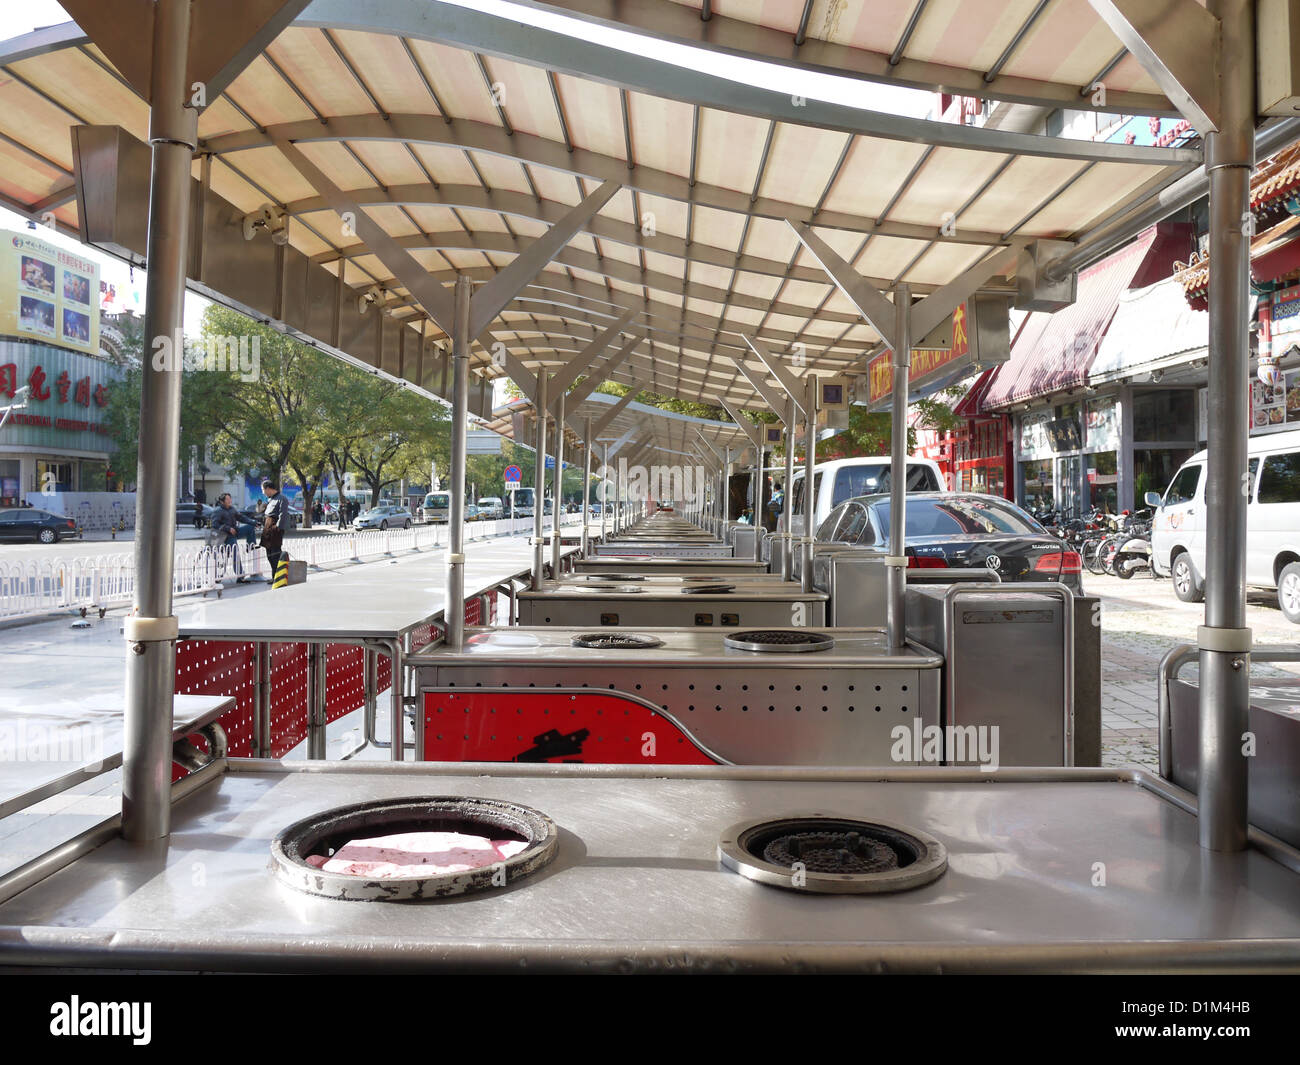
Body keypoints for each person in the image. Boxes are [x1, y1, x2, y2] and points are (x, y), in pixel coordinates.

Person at [211, 493, 253, 583]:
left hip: (235, 531)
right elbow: (215, 525)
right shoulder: (217, 511)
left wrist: (253, 522)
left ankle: (251, 546)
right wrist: (228, 528)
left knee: (250, 527)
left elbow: (241, 517)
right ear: (222, 502)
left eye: (230, 498)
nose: (230, 500)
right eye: (227, 499)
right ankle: (240, 575)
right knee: (235, 552)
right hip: (225, 536)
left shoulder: (232, 509)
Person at [260, 480, 288, 584]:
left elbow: (283, 514)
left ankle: (279, 577)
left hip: (275, 529)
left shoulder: (282, 498)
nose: (263, 492)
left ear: (268, 488)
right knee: (269, 555)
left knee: (275, 554)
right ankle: (274, 576)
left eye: (263, 489)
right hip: (268, 528)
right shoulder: (270, 500)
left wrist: (278, 528)